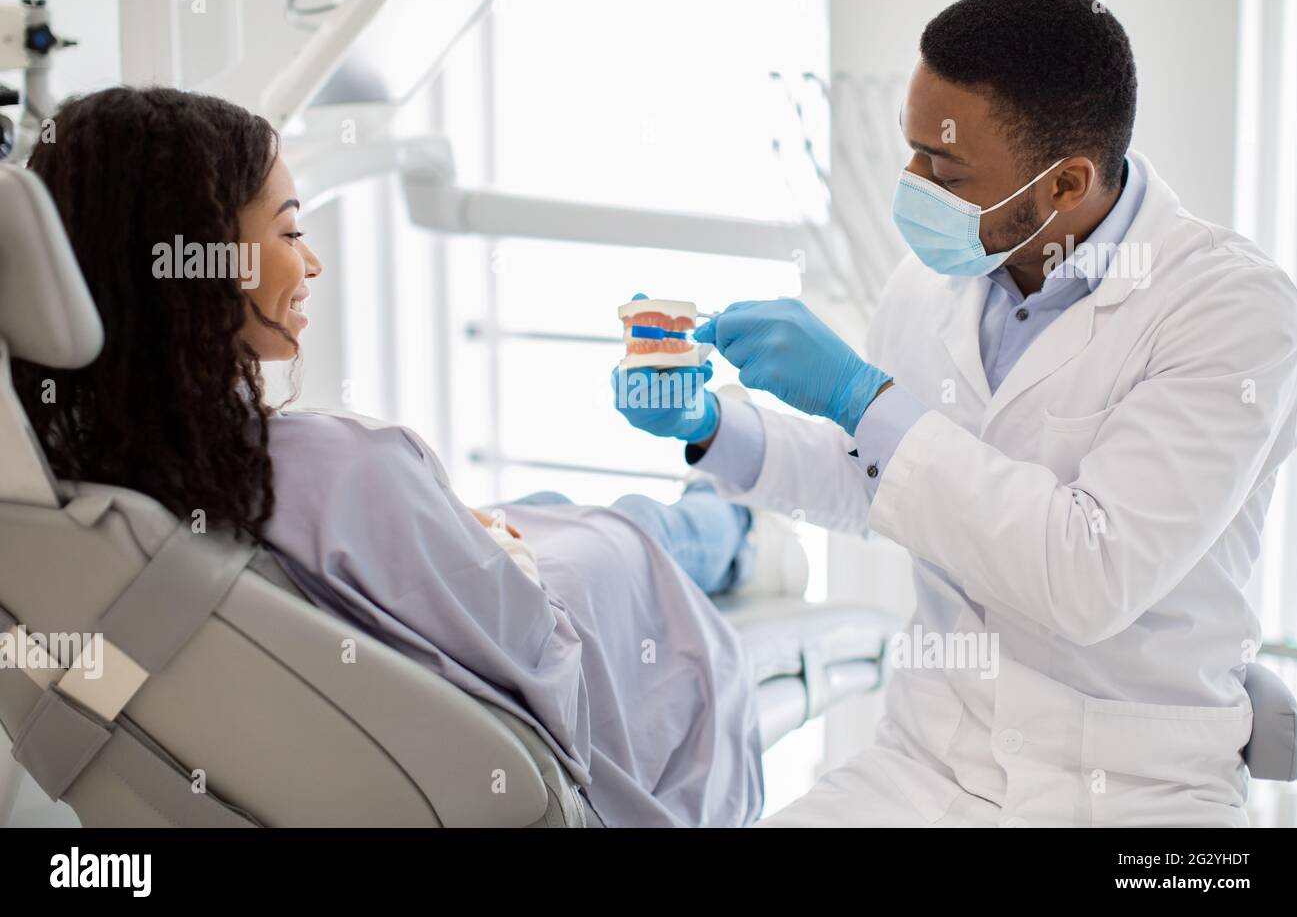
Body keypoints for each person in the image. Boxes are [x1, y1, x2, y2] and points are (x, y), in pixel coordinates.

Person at [615, 0, 1297, 826]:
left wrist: (861, 398)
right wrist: (718, 428)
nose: (911, 183)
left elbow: (1090, 576)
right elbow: (885, 486)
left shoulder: (1228, 311)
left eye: (944, 167)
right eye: (911, 150)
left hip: (1137, 796)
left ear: (1064, 185)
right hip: (926, 768)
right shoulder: (935, 282)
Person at [13, 85, 764, 828]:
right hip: (586, 611)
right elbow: (546, 678)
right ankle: (738, 525)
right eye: (287, 231)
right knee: (624, 527)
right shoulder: (351, 468)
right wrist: (515, 569)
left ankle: (716, 523)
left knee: (553, 512)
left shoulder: (59, 487)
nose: (312, 264)